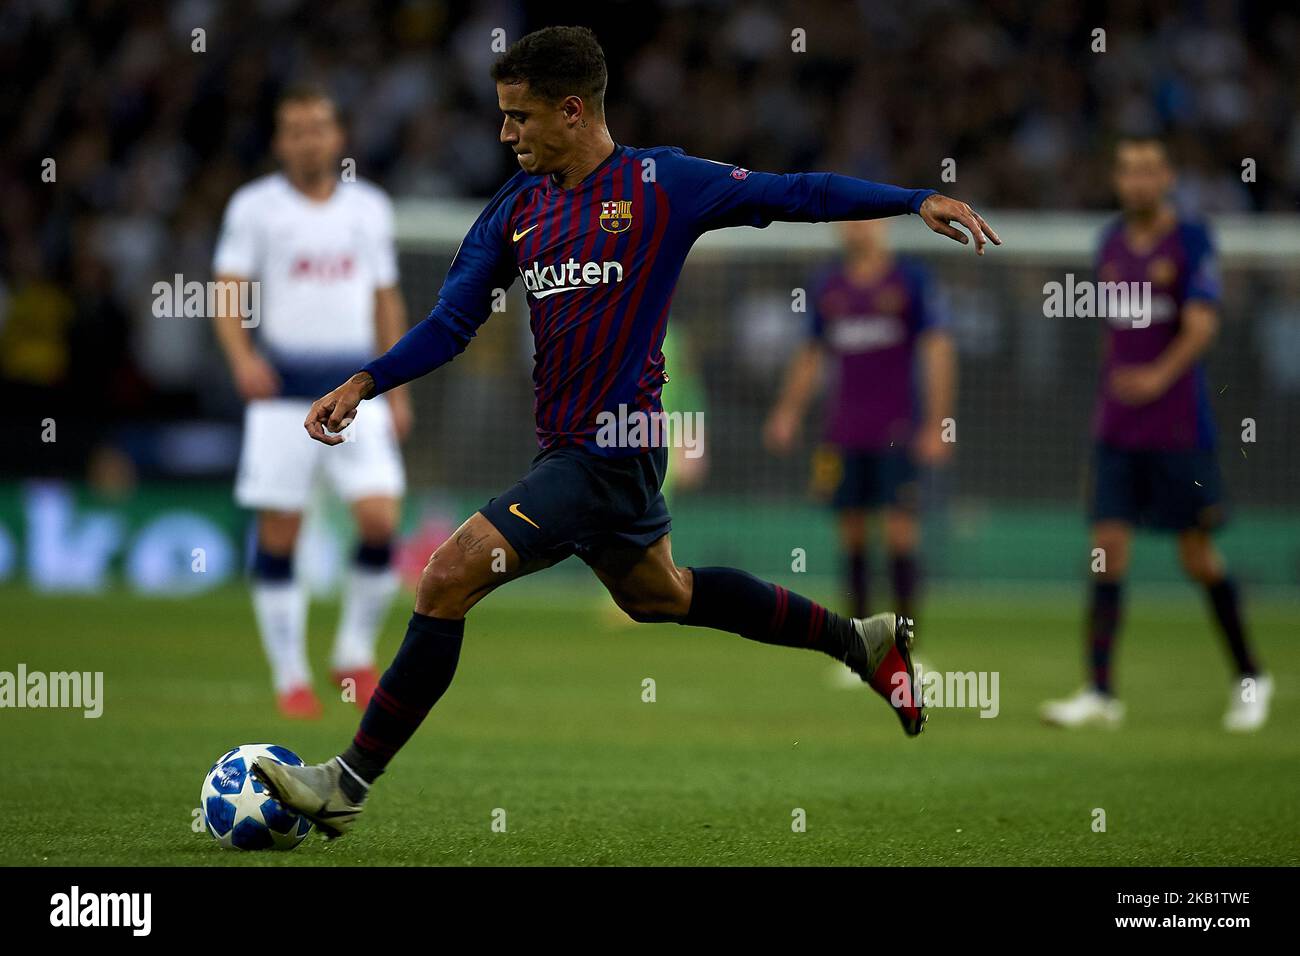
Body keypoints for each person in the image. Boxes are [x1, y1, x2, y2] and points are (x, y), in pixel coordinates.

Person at [252, 26, 1000, 837]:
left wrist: (911, 198)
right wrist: (366, 382)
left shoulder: (662, 183)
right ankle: (860, 640)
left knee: (445, 577)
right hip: (572, 449)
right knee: (662, 594)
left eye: (520, 117)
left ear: (572, 111)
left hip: (611, 448)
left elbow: (799, 192)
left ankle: (346, 783)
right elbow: (451, 323)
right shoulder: (515, 208)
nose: (506, 135)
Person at [1040, 137, 1270, 732]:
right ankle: (1100, 691)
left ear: (1166, 176)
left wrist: (1155, 377)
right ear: (1118, 180)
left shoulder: (1191, 240)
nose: (1138, 181)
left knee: (1197, 555)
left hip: (1178, 429)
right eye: (1128, 171)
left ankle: (1250, 675)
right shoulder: (1109, 243)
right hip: (1117, 429)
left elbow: (1202, 325)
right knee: (1107, 550)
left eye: (1148, 170)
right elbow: (1112, 333)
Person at [213, 87, 413, 719]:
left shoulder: (369, 208)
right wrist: (243, 359)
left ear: (338, 137)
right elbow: (228, 290)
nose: (309, 139)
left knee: (380, 520)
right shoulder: (255, 207)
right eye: (295, 129)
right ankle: (290, 674)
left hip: (358, 389)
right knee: (281, 532)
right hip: (282, 395)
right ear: (280, 142)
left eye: (319, 127)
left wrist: (397, 383)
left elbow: (386, 299)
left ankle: (353, 653)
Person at [765, 219, 954, 623]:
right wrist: (788, 411)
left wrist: (939, 423)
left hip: (898, 428)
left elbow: (937, 349)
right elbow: (812, 353)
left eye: (864, 219)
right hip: (843, 431)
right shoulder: (827, 283)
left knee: (899, 531)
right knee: (850, 534)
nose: (856, 228)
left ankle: (905, 640)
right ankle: (861, 638)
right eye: (847, 220)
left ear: (883, 224)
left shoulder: (911, 279)